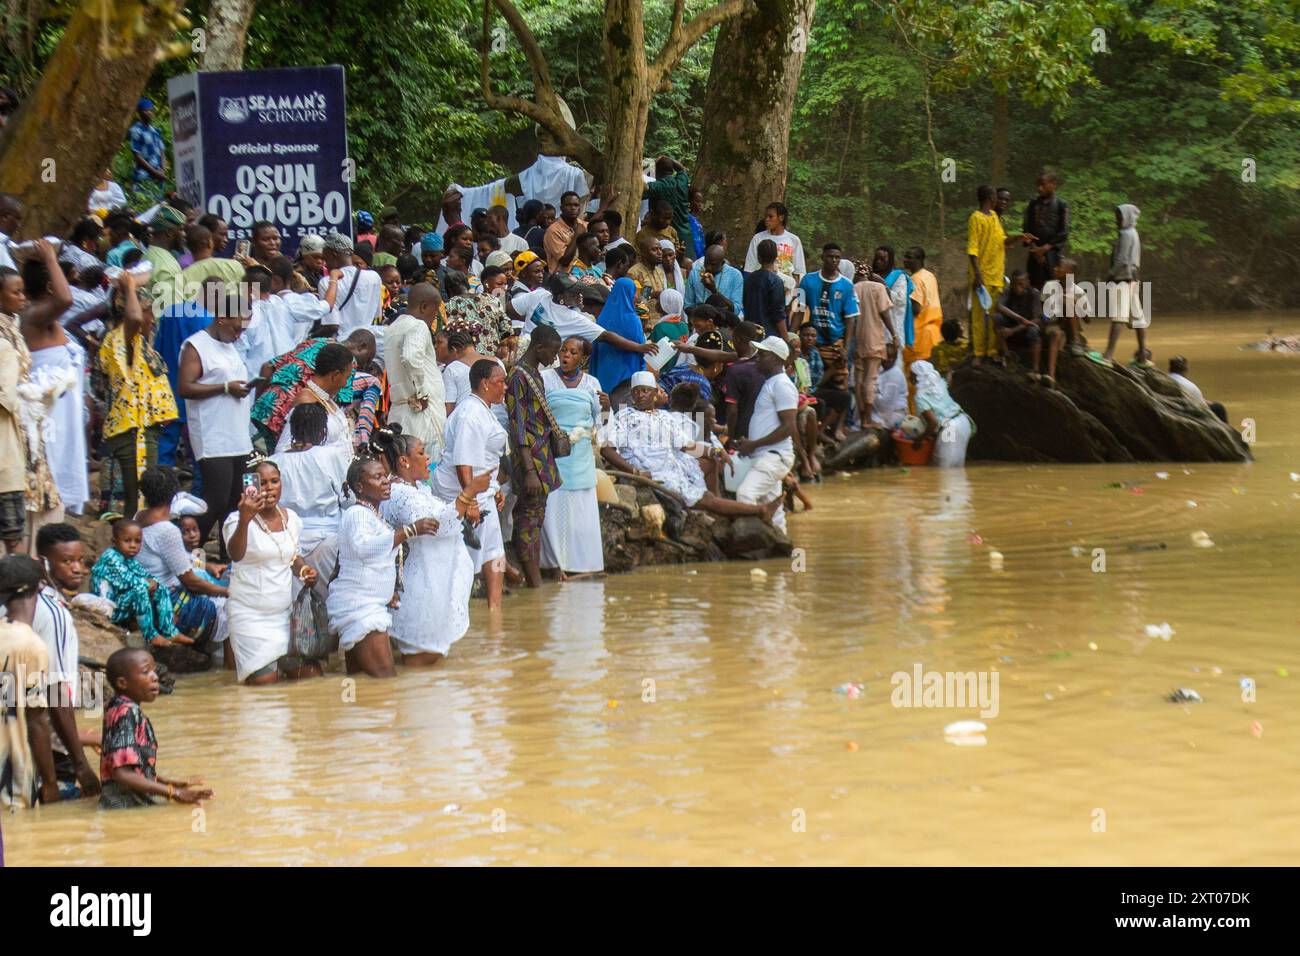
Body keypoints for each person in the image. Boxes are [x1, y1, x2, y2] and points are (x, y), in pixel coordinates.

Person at [600, 371, 781, 523]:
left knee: (708, 472)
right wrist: (635, 472)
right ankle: (760, 510)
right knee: (705, 498)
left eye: (645, 391)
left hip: (672, 469)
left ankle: (737, 513)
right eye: (636, 392)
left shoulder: (665, 417)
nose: (640, 395)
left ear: (655, 393)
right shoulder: (625, 416)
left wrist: (716, 451)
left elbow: (687, 446)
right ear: (632, 395)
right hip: (652, 474)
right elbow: (606, 449)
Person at [372, 426, 477, 665]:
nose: (428, 458)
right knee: (420, 659)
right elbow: (437, 526)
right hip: (415, 590)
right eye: (422, 453)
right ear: (404, 461)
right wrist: (468, 494)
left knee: (428, 663)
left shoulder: (418, 489)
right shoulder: (399, 494)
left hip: (428, 586)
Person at [329, 456, 431, 678]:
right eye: (377, 477)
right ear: (360, 486)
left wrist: (389, 592)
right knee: (386, 683)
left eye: (385, 476)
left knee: (361, 683)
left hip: (366, 605)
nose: (386, 481)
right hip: (361, 609)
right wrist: (409, 531)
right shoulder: (357, 514)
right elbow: (365, 548)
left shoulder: (373, 515)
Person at [222, 459, 320, 684]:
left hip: (284, 615)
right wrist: (245, 519)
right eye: (262, 483)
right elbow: (235, 554)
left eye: (274, 481)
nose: (269, 488)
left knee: (312, 679)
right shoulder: (236, 521)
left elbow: (292, 555)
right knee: (264, 690)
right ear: (250, 487)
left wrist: (303, 569)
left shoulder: (292, 520)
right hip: (249, 618)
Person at [176, 292, 253, 555]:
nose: (239, 333)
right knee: (216, 500)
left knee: (235, 503)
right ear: (221, 318)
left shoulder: (231, 346)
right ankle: (184, 549)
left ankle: (227, 559)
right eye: (236, 327)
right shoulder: (195, 345)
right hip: (212, 435)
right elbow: (185, 387)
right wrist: (224, 387)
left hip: (238, 435)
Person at [432, 360, 509, 610]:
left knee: (494, 551)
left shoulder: (483, 408)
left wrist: (494, 488)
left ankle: (494, 613)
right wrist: (471, 500)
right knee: (461, 558)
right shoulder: (469, 413)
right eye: (501, 382)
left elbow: (485, 457)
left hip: (483, 492)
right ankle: (454, 613)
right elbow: (463, 462)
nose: (505, 387)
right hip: (463, 495)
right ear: (485, 384)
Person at [98, 647, 213, 808]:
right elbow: (122, 773)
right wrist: (174, 793)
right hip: (127, 809)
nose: (155, 678)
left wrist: (167, 784)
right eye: (146, 672)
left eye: (154, 671)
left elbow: (132, 768)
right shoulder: (127, 713)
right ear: (123, 683)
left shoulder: (116, 706)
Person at [21, 246, 88, 518]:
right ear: (50, 285)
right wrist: (50, 257)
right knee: (50, 472)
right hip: (47, 416)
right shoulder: (33, 316)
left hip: (62, 414)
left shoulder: (48, 319)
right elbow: (66, 299)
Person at [134, 467, 227, 649]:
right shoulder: (166, 530)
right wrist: (227, 592)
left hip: (149, 599)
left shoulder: (138, 517)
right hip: (170, 605)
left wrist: (207, 567)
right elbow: (191, 582)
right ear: (173, 495)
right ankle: (229, 667)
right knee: (233, 610)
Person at [505, 325, 564, 589]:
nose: (555, 358)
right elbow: (517, 425)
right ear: (539, 347)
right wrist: (529, 470)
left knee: (536, 517)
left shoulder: (533, 374)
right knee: (529, 517)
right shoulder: (519, 377)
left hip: (542, 457)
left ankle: (535, 582)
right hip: (532, 462)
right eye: (553, 352)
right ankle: (534, 584)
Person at [541, 336, 604, 576]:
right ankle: (556, 565)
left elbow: (602, 422)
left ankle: (584, 564)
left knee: (581, 509)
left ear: (583, 357)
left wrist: (606, 408)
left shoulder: (592, 384)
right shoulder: (546, 379)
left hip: (581, 455)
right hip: (553, 452)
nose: (566, 355)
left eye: (573, 352)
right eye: (563, 351)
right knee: (554, 507)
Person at [270, 403, 346, 598]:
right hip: (328, 541)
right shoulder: (329, 456)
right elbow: (347, 496)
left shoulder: (274, 461)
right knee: (334, 599)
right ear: (323, 430)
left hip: (286, 544)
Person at [0, 554, 57, 807]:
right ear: (39, 587)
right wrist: (51, 783)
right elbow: (37, 721)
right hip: (13, 776)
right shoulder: (32, 645)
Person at [734, 336, 799, 533]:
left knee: (745, 495)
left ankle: (754, 544)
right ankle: (781, 553)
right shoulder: (772, 383)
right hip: (766, 455)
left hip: (773, 456)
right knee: (776, 514)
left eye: (762, 355)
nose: (757, 358)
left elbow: (789, 427)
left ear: (776, 359)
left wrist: (753, 445)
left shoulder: (782, 384)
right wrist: (751, 443)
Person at [91, 519, 186, 647]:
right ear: (114, 542)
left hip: (121, 604)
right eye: (127, 541)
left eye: (137, 541)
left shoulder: (129, 559)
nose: (133, 545)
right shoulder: (111, 557)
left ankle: (169, 629)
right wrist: (149, 584)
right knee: (140, 589)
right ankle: (150, 635)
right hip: (108, 609)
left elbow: (146, 575)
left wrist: (154, 583)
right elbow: (129, 580)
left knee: (161, 587)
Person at [967, 184, 1033, 366]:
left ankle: (992, 350)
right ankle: (979, 353)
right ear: (990, 197)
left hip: (997, 275)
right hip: (982, 276)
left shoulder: (995, 217)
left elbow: (1002, 240)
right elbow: (972, 250)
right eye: (996, 196)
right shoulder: (976, 218)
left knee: (994, 317)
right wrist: (977, 276)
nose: (999, 199)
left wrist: (1019, 237)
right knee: (979, 317)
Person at [386, 283, 447, 458]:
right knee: (427, 470)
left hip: (400, 413)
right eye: (434, 314)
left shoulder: (392, 328)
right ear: (424, 307)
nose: (433, 320)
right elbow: (411, 357)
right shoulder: (418, 326)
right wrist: (422, 394)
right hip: (422, 414)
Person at [272, 341, 356, 455]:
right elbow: (290, 449)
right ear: (335, 375)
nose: (346, 384)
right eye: (346, 377)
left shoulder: (324, 398)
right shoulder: (306, 403)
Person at [589, 272, 649, 408]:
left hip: (603, 372)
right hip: (626, 374)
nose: (636, 297)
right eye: (634, 292)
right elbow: (641, 349)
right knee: (623, 412)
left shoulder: (602, 318)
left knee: (604, 412)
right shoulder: (633, 320)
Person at [1102, 203, 1148, 365]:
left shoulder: (1126, 234)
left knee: (1118, 317)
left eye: (1120, 216)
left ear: (1127, 217)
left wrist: (1110, 274)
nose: (1117, 219)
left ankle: (1108, 355)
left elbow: (1121, 259)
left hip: (1123, 278)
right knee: (1137, 317)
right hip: (1134, 278)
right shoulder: (1133, 233)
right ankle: (1142, 356)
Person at [851, 261, 894, 427]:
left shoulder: (851, 288)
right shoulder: (878, 288)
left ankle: (862, 419)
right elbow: (885, 313)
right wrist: (894, 334)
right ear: (869, 274)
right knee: (871, 380)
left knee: (859, 380)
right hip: (874, 340)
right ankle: (867, 420)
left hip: (856, 341)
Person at [800, 243, 860, 359]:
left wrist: (846, 348)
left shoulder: (847, 285)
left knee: (838, 376)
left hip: (837, 343)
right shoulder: (807, 280)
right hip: (813, 342)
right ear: (822, 257)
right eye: (830, 256)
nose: (834, 260)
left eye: (837, 257)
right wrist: (792, 337)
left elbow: (851, 318)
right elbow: (798, 309)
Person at [995, 270, 1057, 382]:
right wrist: (1019, 319)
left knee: (1033, 330)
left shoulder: (1034, 293)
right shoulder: (1008, 292)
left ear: (1027, 282)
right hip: (1012, 329)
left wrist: (1013, 330)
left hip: (1025, 331)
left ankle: (1035, 370)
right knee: (997, 317)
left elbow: (1037, 320)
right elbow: (999, 306)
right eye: (1015, 284)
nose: (1018, 287)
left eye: (1021, 284)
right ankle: (1007, 355)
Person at [910, 360, 974, 467]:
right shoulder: (939, 384)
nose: (909, 378)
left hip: (950, 429)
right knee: (957, 467)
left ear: (916, 377)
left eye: (911, 375)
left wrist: (919, 440)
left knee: (944, 471)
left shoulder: (920, 396)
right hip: (963, 421)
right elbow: (948, 382)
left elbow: (933, 423)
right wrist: (950, 372)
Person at [320, 232, 383, 340]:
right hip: (369, 343)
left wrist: (311, 337)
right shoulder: (374, 277)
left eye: (325, 259)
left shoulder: (328, 282)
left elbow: (332, 325)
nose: (325, 264)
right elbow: (377, 317)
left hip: (343, 344)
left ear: (333, 254)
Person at [445, 267, 513, 355]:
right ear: (467, 284)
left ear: (449, 291)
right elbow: (507, 329)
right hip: (494, 356)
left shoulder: (450, 305)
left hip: (469, 358)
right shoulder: (492, 299)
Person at [1022, 171, 1069, 291]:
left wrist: (1044, 249)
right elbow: (1026, 228)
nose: (1039, 188)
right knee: (1034, 288)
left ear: (1053, 184)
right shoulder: (1033, 204)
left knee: (1052, 288)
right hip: (1034, 254)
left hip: (1052, 255)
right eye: (1038, 185)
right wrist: (1035, 250)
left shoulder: (1061, 205)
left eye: (1043, 184)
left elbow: (1063, 232)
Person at [743, 202, 805, 283]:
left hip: (785, 289)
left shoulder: (793, 240)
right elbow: (749, 268)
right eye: (765, 216)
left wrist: (793, 291)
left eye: (770, 217)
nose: (766, 219)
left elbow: (799, 272)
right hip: (761, 286)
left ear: (781, 218)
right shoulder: (758, 238)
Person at [903, 246, 943, 368]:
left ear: (919, 260)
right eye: (905, 256)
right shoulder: (930, 276)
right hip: (934, 334)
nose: (904, 260)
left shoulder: (915, 279)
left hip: (919, 337)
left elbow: (915, 309)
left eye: (909, 257)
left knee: (916, 378)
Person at [127, 98, 167, 202]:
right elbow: (137, 156)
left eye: (151, 110)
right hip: (143, 178)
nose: (150, 113)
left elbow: (162, 152)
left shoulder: (155, 131)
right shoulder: (136, 130)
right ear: (140, 113)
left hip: (158, 178)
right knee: (143, 207)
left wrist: (163, 169)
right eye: (147, 110)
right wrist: (154, 172)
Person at [1168, 356, 1228, 423]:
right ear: (1187, 369)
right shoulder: (1190, 386)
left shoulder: (1164, 380)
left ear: (1170, 368)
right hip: (1187, 413)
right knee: (1218, 407)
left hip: (1169, 410)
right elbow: (1201, 404)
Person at [687, 244, 743, 315]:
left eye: (713, 264)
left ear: (722, 263)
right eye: (706, 263)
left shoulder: (735, 275)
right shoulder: (695, 273)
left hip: (724, 322)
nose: (708, 268)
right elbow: (688, 306)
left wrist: (714, 290)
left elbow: (735, 310)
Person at [645, 155, 692, 240]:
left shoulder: (658, 186)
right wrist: (670, 160)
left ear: (656, 170)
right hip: (686, 234)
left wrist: (652, 165)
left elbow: (642, 188)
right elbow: (682, 169)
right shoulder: (682, 182)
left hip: (666, 236)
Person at [627, 236, 668, 321]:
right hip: (644, 321)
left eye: (660, 249)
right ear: (643, 253)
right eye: (654, 249)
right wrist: (651, 295)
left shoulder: (660, 271)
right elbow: (631, 300)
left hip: (661, 319)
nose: (660, 252)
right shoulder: (634, 272)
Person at [650, 288, 690, 372]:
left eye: (659, 300)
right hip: (681, 368)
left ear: (666, 305)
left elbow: (654, 354)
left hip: (665, 372)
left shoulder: (660, 327)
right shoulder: (683, 325)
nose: (656, 303)